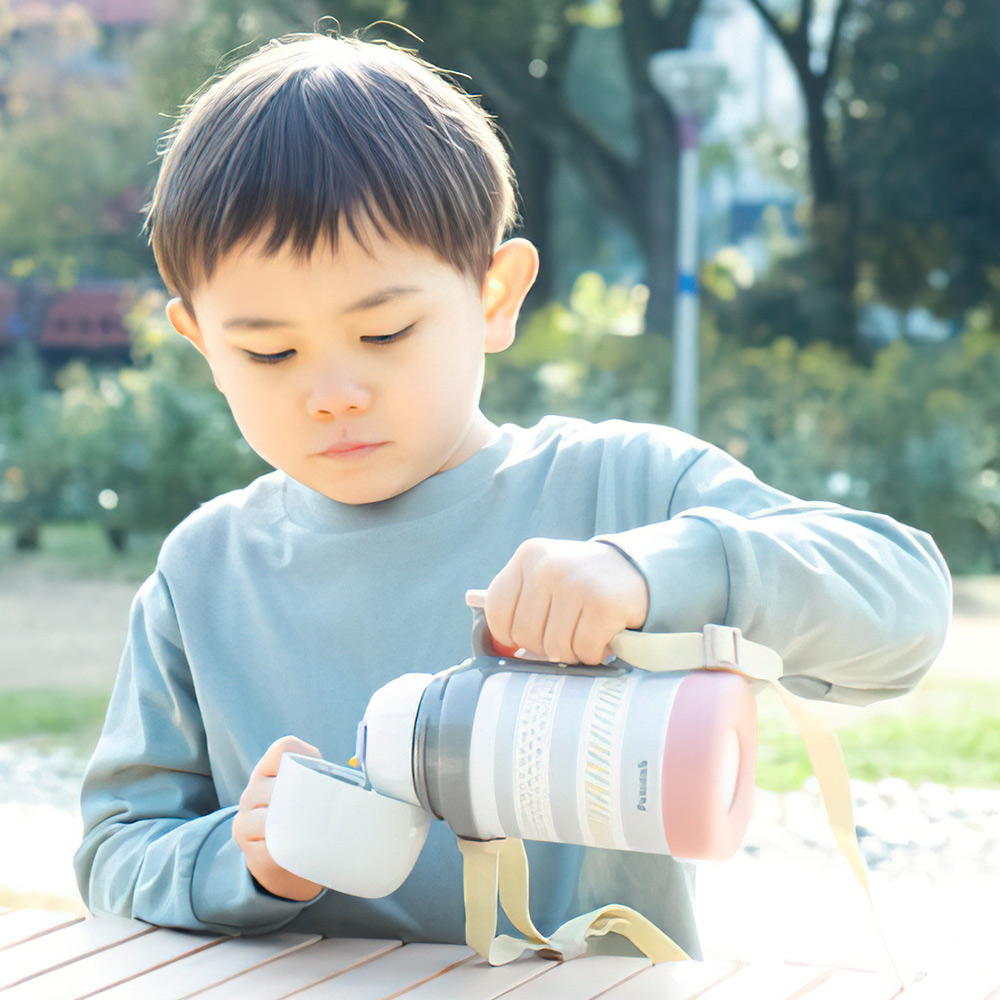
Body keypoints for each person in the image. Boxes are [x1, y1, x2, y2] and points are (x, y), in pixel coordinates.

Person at [74, 32, 951, 955]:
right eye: (270, 351)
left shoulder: (623, 491)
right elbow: (115, 854)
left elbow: (908, 605)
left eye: (385, 332)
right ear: (202, 342)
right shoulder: (205, 574)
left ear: (495, 296)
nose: (333, 392)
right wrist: (241, 862)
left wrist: (657, 571)